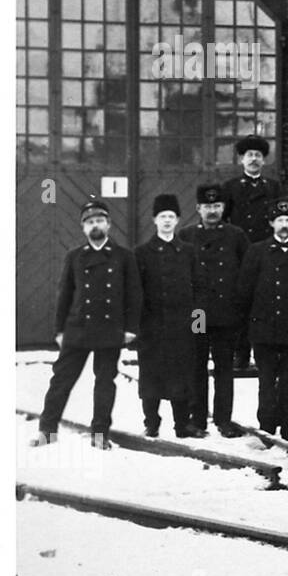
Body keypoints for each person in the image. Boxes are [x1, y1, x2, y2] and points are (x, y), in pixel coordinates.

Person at [33, 198, 142, 448]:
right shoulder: (74, 257)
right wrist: (59, 330)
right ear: (83, 227)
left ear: (108, 224)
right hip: (78, 328)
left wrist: (130, 329)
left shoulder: (124, 256)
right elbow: (65, 295)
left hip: (110, 329)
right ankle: (47, 431)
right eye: (90, 222)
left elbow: (134, 296)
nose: (95, 225)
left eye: (100, 221)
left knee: (105, 384)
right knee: (60, 381)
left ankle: (100, 434)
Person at [236, 199, 288, 440]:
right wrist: (247, 327)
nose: (284, 225)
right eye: (279, 220)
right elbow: (245, 290)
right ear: (271, 223)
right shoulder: (257, 251)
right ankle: (267, 425)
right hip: (264, 327)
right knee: (267, 380)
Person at [180, 183, 249, 438]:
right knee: (197, 366)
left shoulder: (236, 235)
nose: (212, 211)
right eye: (207, 206)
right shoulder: (186, 236)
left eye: (217, 206)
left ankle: (224, 420)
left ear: (223, 208)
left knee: (224, 368)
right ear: (198, 208)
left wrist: (240, 306)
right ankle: (197, 420)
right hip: (198, 313)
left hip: (226, 312)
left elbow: (246, 272)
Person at [134, 194, 200, 439]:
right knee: (150, 379)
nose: (167, 221)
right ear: (154, 220)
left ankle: (182, 425)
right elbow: (135, 293)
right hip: (151, 330)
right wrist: (138, 328)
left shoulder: (188, 251)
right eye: (162, 217)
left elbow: (199, 290)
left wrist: (198, 327)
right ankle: (151, 423)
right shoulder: (142, 253)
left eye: (171, 217)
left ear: (178, 220)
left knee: (181, 379)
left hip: (181, 329)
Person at [223, 133, 280, 369]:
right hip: (239, 254)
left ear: (264, 161)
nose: (254, 159)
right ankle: (241, 352)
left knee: (265, 304)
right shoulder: (230, 187)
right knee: (240, 303)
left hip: (265, 253)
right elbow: (224, 221)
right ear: (242, 160)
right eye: (249, 155)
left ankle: (263, 353)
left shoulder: (273, 187)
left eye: (258, 155)